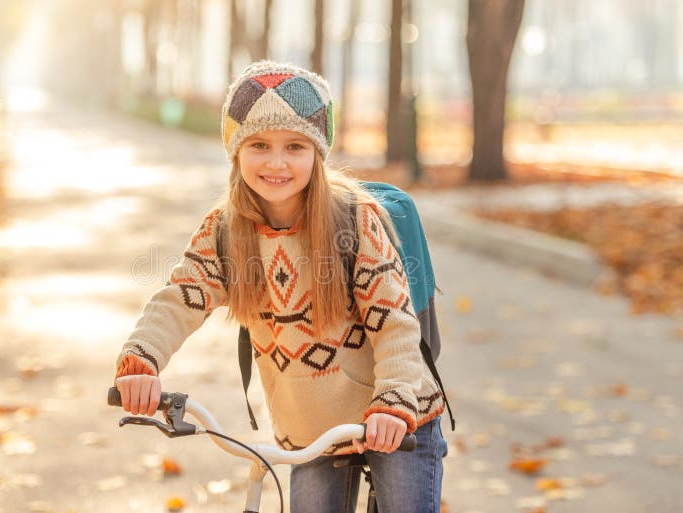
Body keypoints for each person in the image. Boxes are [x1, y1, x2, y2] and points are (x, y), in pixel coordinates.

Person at [114, 60, 448, 513]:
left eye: (295, 146)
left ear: (317, 153)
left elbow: (395, 325)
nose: (276, 162)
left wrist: (393, 402)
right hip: (311, 432)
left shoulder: (355, 222)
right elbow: (179, 299)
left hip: (398, 413)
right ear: (236, 151)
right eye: (259, 145)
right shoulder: (224, 233)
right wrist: (142, 359)